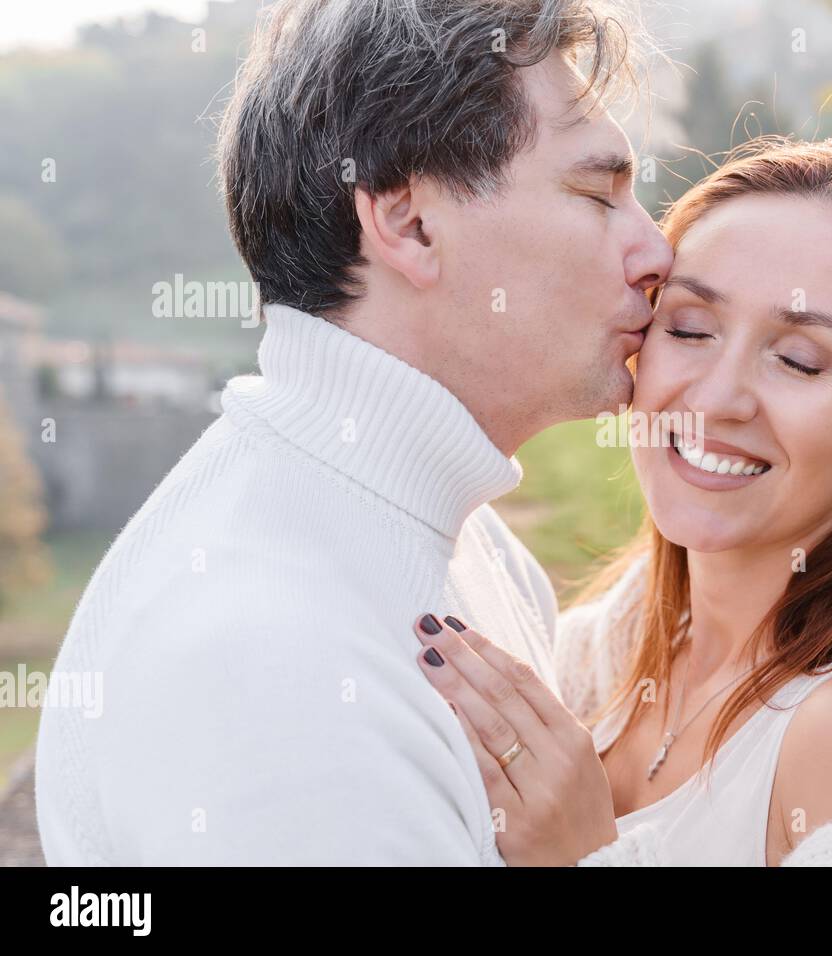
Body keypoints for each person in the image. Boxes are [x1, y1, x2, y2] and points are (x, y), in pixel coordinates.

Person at [35, 0, 671, 865]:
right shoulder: (266, 666)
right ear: (410, 225)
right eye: (598, 193)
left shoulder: (468, 544)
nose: (657, 252)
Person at [413, 137, 832, 866]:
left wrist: (579, 858)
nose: (718, 398)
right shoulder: (601, 653)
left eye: (798, 359)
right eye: (691, 328)